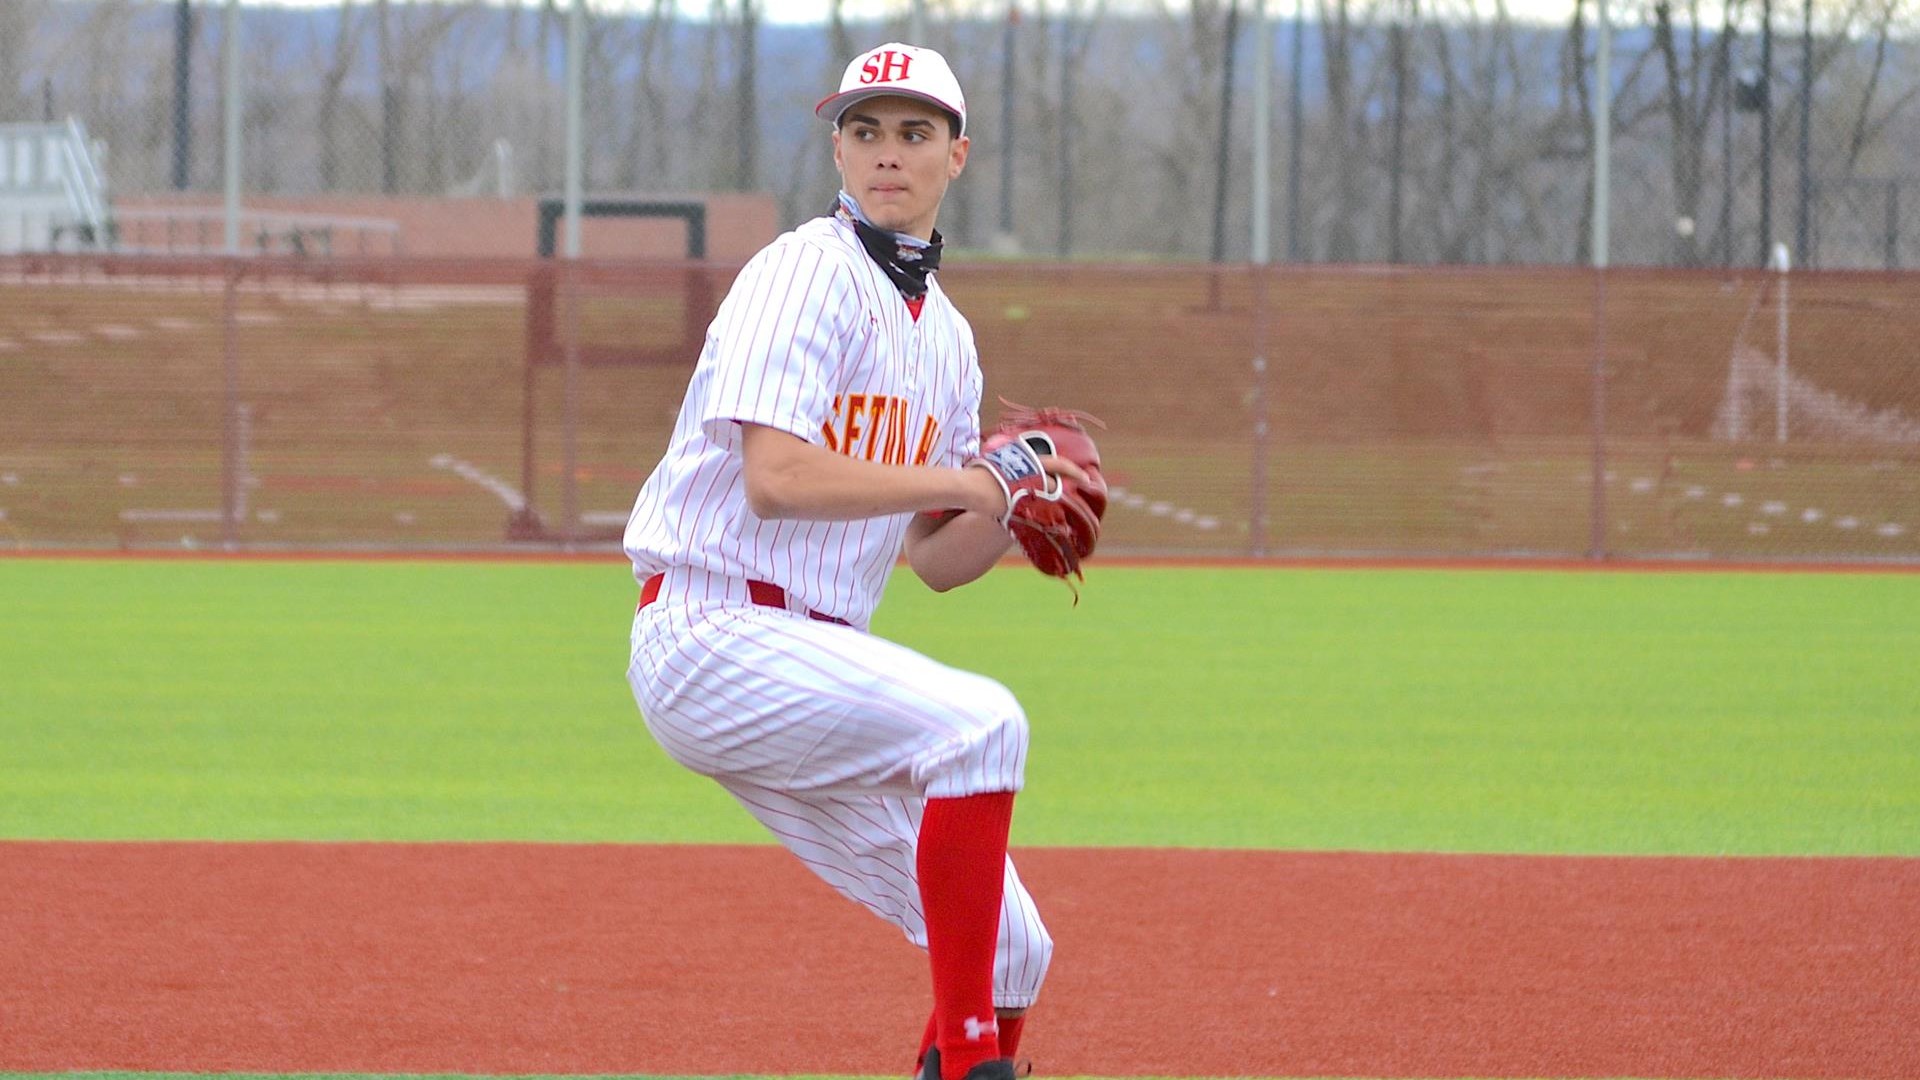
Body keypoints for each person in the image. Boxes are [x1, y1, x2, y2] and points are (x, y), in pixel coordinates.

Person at [621, 41, 1086, 1080]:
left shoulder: (948, 338)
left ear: (956, 156)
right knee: (982, 725)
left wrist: (1013, 506)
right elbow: (776, 478)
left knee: (1014, 950)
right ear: (838, 150)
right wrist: (972, 480)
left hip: (812, 661)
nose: (887, 152)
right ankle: (973, 1066)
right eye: (864, 130)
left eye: (914, 133)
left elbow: (934, 558)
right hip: (713, 628)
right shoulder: (804, 273)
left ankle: (959, 1055)